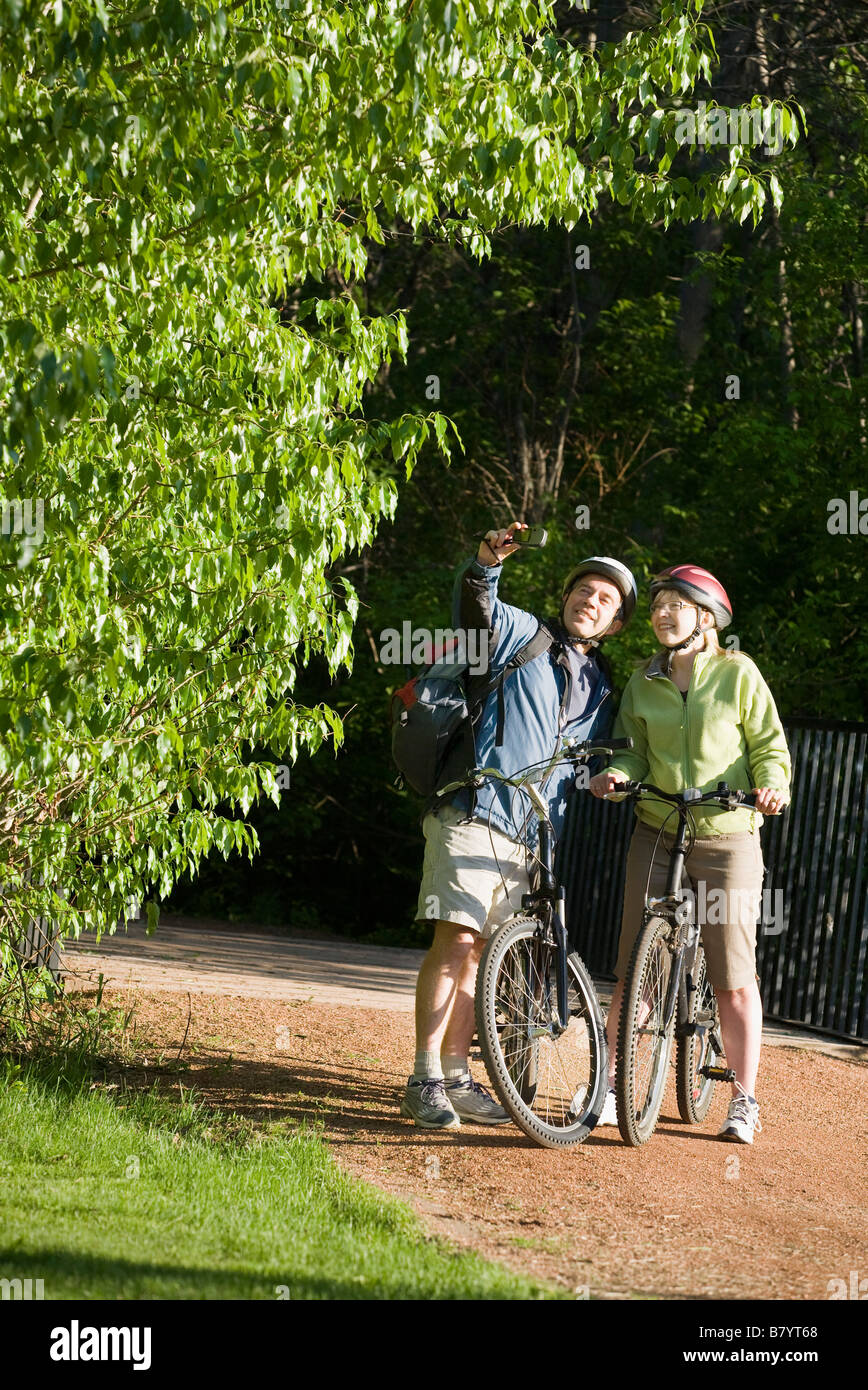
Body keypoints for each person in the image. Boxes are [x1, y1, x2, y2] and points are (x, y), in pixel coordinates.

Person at [400, 522, 637, 1129]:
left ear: (615, 624)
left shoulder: (602, 688)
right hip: (474, 808)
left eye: (606, 599)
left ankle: (456, 1075)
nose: (592, 600)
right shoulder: (522, 633)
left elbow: (582, 763)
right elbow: (477, 612)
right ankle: (425, 1077)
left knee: (481, 956)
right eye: (584, 590)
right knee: (454, 938)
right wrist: (485, 563)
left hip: (531, 837)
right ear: (566, 599)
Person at [589, 564, 791, 1144]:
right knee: (635, 969)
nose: (660, 614)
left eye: (674, 604)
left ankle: (744, 1099)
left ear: (707, 617)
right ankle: (609, 1088)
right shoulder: (642, 681)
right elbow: (632, 753)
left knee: (731, 975)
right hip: (656, 828)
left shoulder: (738, 674)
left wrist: (771, 786)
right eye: (656, 605)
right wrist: (616, 776)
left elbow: (769, 747)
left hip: (727, 834)